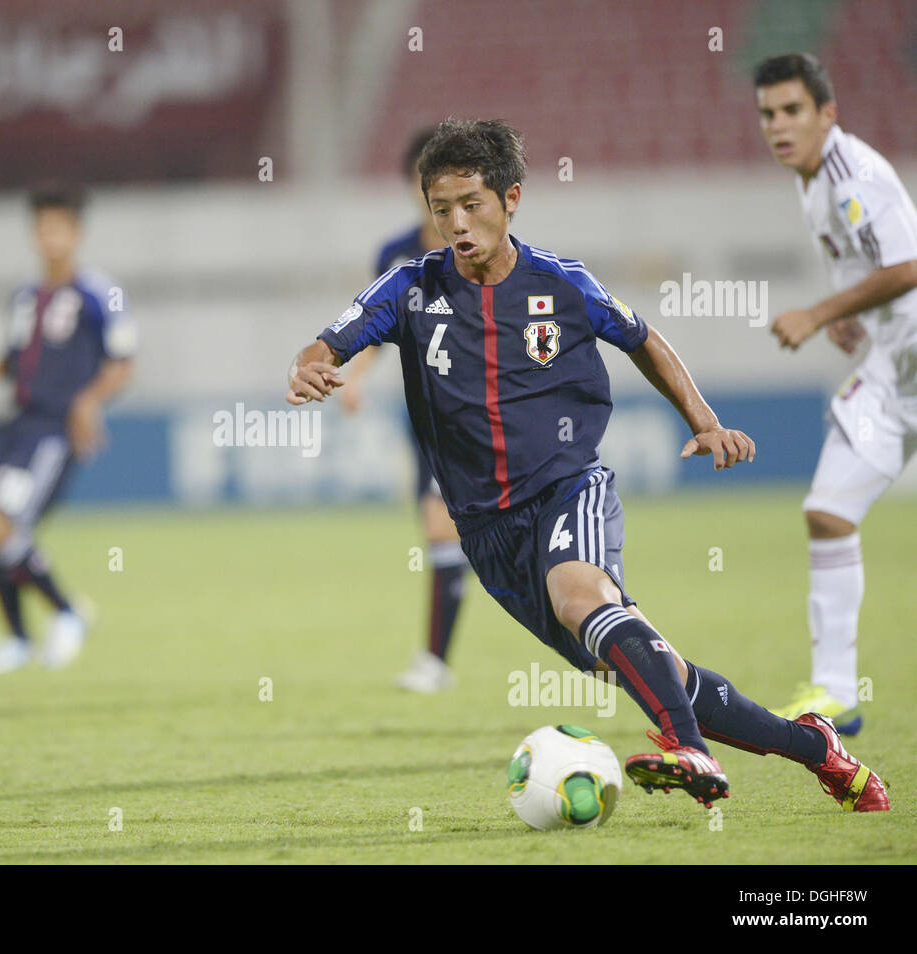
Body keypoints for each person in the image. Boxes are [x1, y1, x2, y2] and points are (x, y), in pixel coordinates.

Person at [285, 119, 888, 811]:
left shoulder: (562, 284)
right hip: (487, 531)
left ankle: (689, 751)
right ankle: (818, 748)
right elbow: (326, 344)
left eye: (471, 205)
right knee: (658, 675)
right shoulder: (409, 287)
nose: (456, 223)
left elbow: (644, 339)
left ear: (511, 199)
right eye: (441, 208)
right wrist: (310, 371)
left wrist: (705, 422)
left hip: (568, 488)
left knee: (582, 598)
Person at [758, 53, 917, 735]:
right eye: (767, 114)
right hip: (894, 367)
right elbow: (876, 265)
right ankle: (836, 694)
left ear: (828, 113)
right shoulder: (812, 178)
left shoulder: (854, 175)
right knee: (827, 510)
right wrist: (857, 314)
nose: (778, 125)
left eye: (793, 110)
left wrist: (820, 312)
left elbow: (908, 265)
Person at [0, 184, 136, 671]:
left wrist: (88, 400)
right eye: (41, 228)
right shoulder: (25, 296)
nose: (48, 238)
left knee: (1, 525)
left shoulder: (98, 293)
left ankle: (66, 614)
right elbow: (10, 363)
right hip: (18, 424)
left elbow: (124, 363)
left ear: (76, 234)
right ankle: (19, 640)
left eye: (57, 228)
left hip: (53, 430)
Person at [342, 128, 472, 692]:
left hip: (491, 409)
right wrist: (357, 374)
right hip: (430, 414)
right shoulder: (395, 256)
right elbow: (376, 322)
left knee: (480, 533)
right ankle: (435, 663)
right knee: (439, 523)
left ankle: (599, 628)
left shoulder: (481, 246)